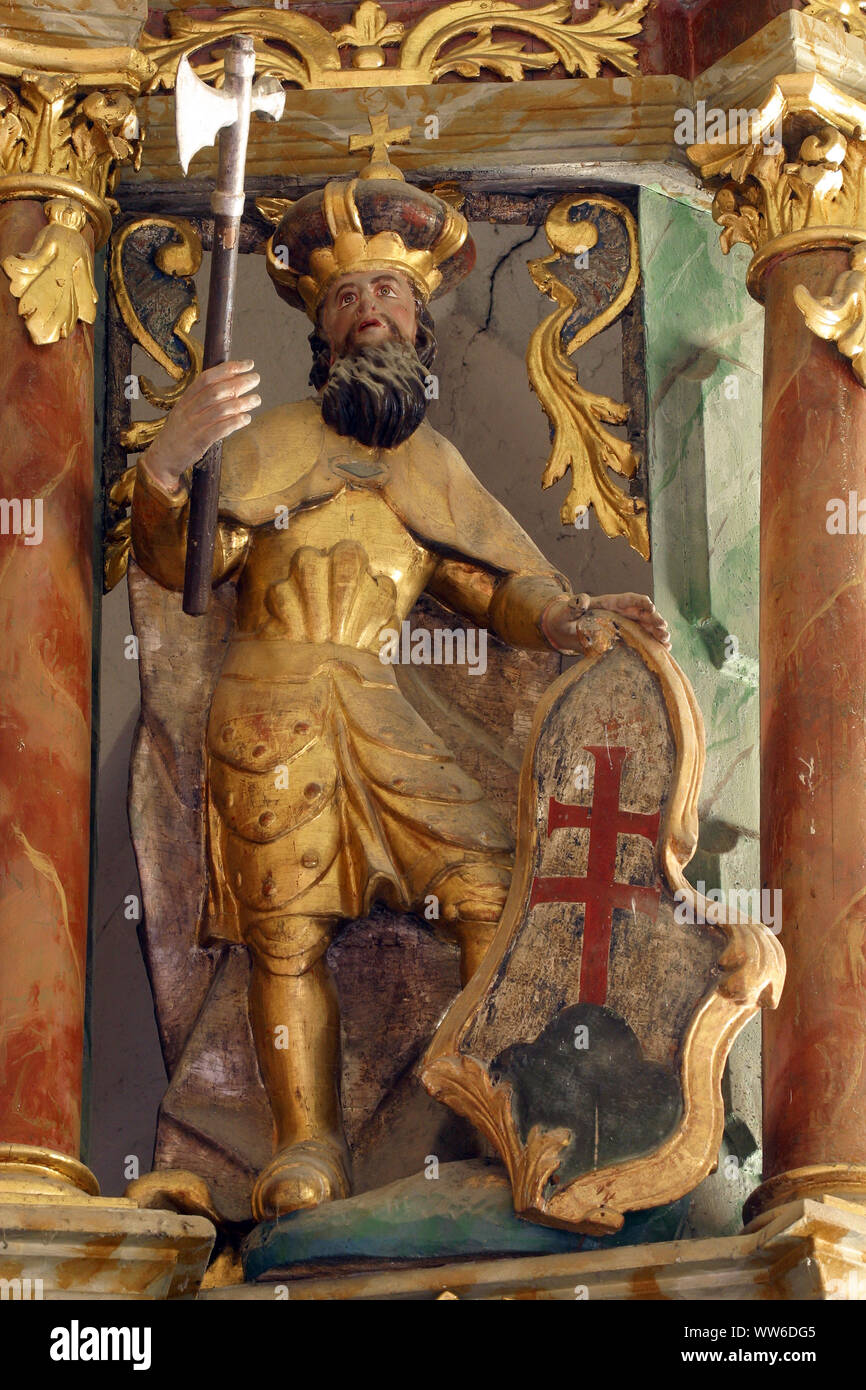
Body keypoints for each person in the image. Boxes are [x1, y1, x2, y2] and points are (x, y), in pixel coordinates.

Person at [130, 122, 670, 1221]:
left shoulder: (429, 462)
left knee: (487, 883)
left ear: (419, 320)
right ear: (321, 333)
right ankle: (306, 1147)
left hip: (378, 701)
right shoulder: (270, 440)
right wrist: (173, 459)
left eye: (387, 295)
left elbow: (490, 586)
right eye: (343, 301)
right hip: (271, 704)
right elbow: (190, 565)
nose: (367, 311)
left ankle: (495, 1116)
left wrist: (562, 618)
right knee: (285, 929)